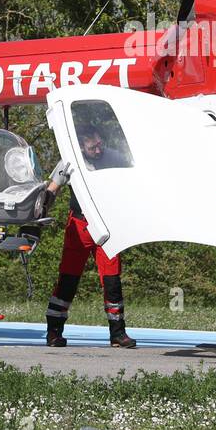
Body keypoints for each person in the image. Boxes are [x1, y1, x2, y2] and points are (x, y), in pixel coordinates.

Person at [43, 122, 136, 349]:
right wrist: (39, 211)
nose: (97, 150)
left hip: (107, 227)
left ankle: (118, 334)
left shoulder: (115, 158)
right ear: (81, 146)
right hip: (79, 226)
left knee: (112, 280)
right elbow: (52, 189)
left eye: (99, 144)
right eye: (92, 147)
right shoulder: (69, 161)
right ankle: (53, 332)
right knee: (68, 279)